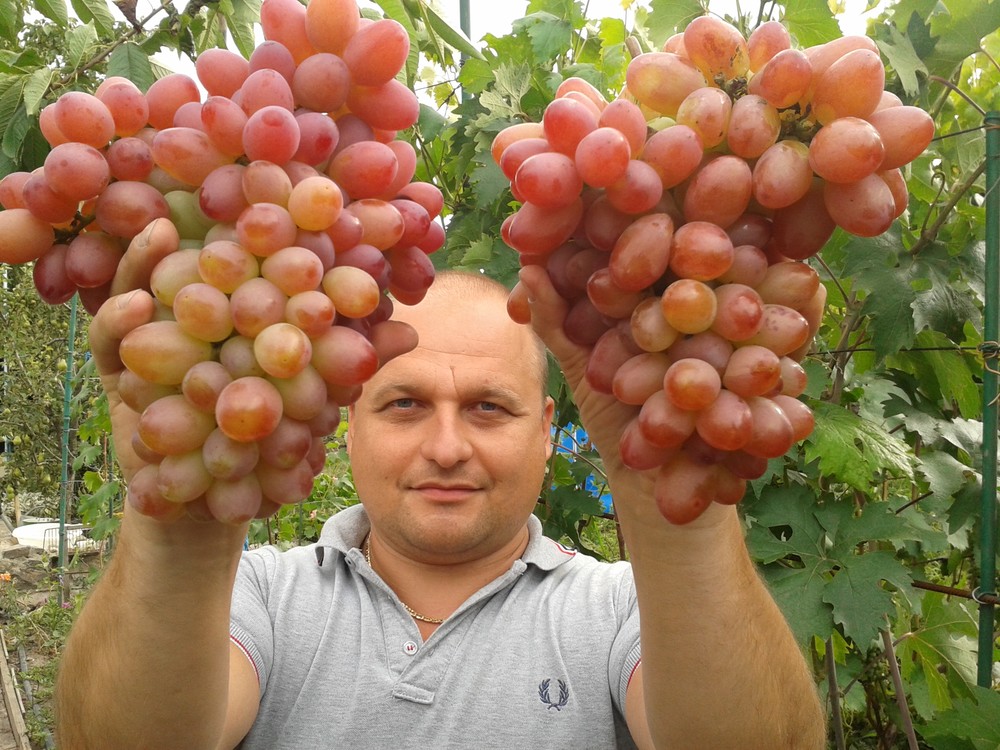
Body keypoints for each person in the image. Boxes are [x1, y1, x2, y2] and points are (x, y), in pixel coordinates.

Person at [54, 263, 826, 749]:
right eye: (404, 405)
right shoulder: (255, 596)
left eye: (490, 407)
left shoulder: (626, 612)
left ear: (549, 432)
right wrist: (177, 532)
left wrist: (672, 506)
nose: (448, 446)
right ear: (347, 423)